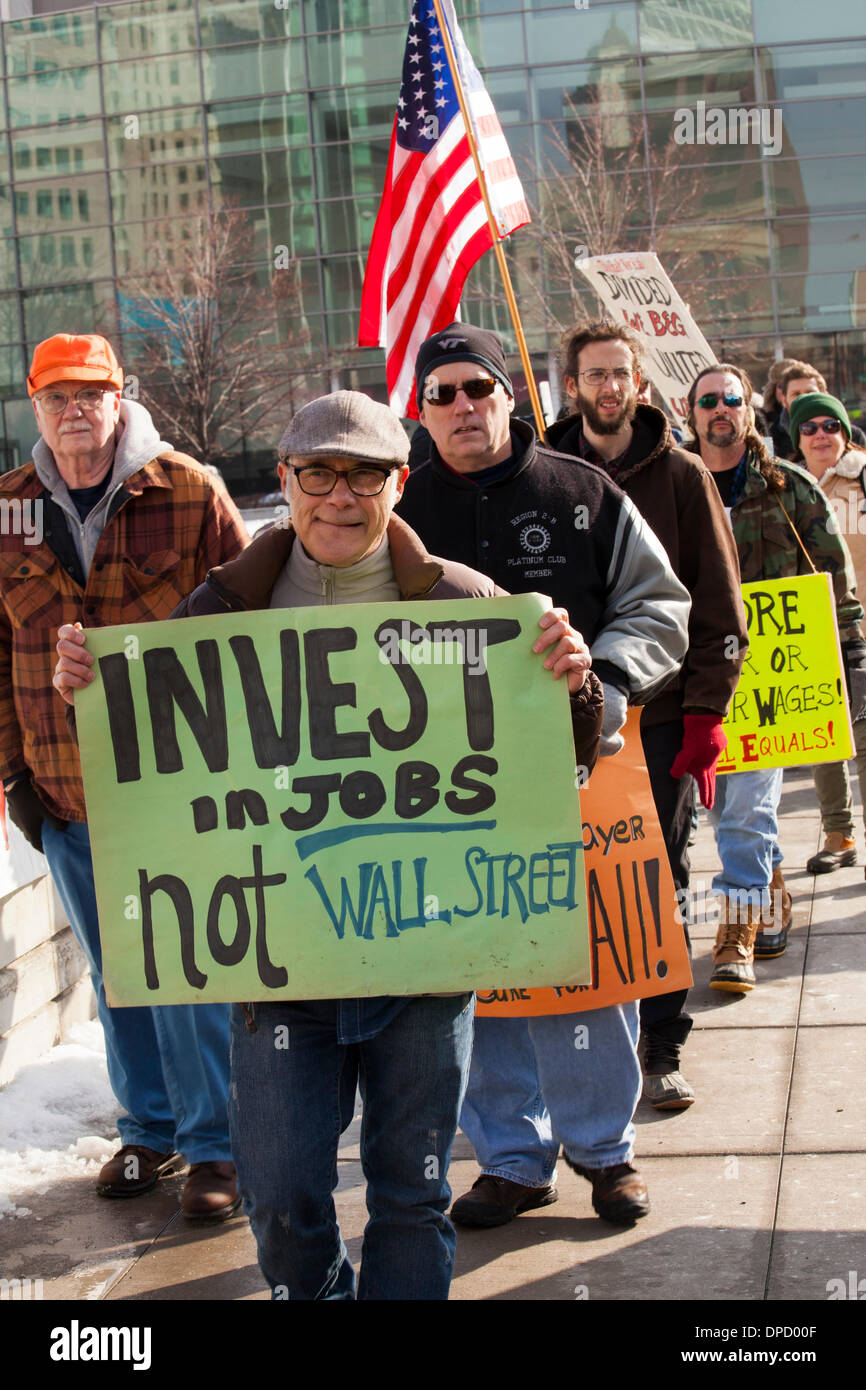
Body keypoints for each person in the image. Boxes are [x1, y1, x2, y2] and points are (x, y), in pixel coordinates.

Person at [56, 389, 604, 1299]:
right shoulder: (220, 610)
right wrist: (93, 697)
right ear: (285, 480)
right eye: (319, 473)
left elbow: (560, 760)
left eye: (366, 476)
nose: (340, 496)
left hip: (424, 962)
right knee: (280, 1194)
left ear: (398, 483)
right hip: (283, 975)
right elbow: (155, 777)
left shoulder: (469, 603)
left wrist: (571, 686)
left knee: (413, 1193)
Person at [397, 322, 691, 1228]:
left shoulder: (585, 494)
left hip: (580, 777)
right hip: (440, 789)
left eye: (476, 389)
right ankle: (512, 1159)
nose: (461, 408)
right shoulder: (390, 513)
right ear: (420, 410)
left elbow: (662, 607)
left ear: (510, 396)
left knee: (587, 964)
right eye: (441, 393)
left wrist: (600, 680)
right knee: (478, 973)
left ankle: (606, 1151)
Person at [0, 333, 249, 1220]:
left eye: (90, 393)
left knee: (189, 968)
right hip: (66, 797)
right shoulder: (9, 510)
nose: (75, 410)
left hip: (176, 794)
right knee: (118, 977)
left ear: (119, 399)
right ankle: (150, 1134)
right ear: (35, 406)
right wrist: (15, 778)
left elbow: (249, 628)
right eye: (57, 395)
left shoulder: (187, 492)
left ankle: (218, 1147)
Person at [547, 319, 747, 1110]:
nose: (608, 386)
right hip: (554, 720)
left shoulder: (683, 475)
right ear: (572, 385)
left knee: (656, 881)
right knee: (574, 880)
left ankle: (661, 1044)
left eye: (620, 373)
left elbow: (717, 604)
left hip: (656, 718)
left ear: (638, 382)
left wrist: (706, 714)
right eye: (594, 374)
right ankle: (577, 1041)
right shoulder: (542, 472)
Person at [685, 364, 862, 988]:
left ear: (750, 407)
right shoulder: (675, 485)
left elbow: (834, 576)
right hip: (700, 672)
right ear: (692, 413)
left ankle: (737, 928)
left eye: (731, 399)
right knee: (725, 807)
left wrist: (853, 657)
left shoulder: (788, 487)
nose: (720, 410)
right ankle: (771, 887)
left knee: (746, 806)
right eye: (708, 401)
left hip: (776, 678)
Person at [787, 391, 866, 874]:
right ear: (797, 437)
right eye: (810, 428)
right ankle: (839, 833)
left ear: (845, 432)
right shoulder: (785, 486)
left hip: (860, 631)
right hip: (811, 634)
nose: (821, 435)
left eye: (830, 426)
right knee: (822, 737)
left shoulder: (864, 478)